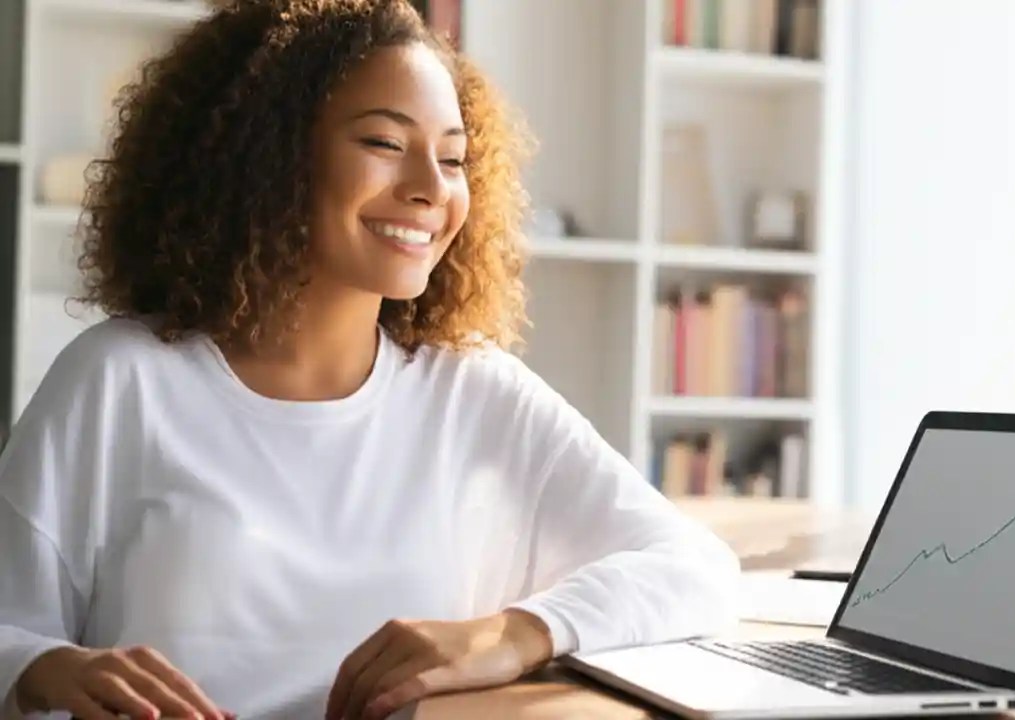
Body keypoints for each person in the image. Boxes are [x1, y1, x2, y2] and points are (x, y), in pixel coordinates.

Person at [0, 1, 741, 718]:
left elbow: (695, 570)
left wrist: (511, 634)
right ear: (269, 156)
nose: (429, 189)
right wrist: (48, 669)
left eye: (452, 158)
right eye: (385, 144)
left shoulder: (475, 394)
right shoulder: (118, 379)